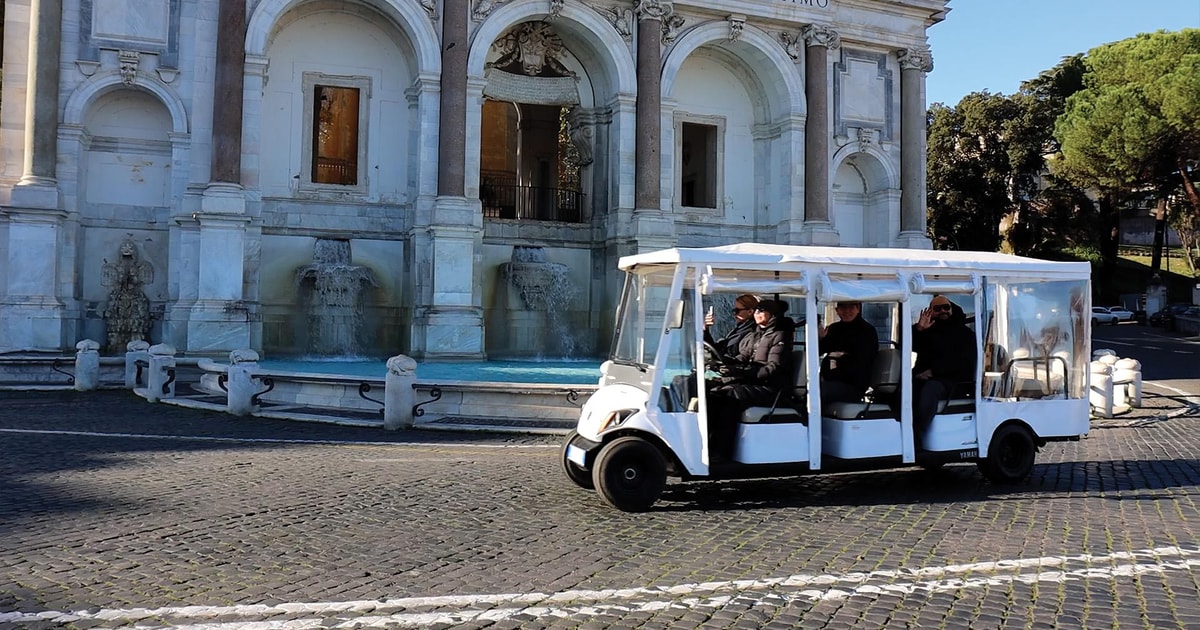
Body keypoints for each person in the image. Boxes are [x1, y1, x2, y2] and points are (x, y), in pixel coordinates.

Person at [707, 299, 794, 460]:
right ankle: (707, 444)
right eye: (756, 310)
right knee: (711, 391)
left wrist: (743, 372)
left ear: (772, 314)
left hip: (772, 389)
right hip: (753, 383)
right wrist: (724, 364)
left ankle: (722, 451)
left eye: (761, 311)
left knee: (729, 395)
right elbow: (742, 357)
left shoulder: (780, 336)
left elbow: (773, 368)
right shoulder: (753, 335)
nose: (756, 313)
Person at [911, 295, 977, 442]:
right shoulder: (928, 330)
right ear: (931, 311)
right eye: (937, 308)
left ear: (951, 309)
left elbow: (964, 363)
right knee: (903, 387)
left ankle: (917, 434)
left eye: (946, 307)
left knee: (930, 390)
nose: (943, 311)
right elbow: (908, 346)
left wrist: (933, 372)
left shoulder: (964, 334)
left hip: (954, 381)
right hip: (926, 377)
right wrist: (919, 329)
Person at [818, 301, 878, 405]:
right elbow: (819, 351)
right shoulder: (834, 328)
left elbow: (863, 362)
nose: (847, 311)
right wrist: (820, 338)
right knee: (807, 388)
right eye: (843, 308)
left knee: (816, 392)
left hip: (852, 385)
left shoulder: (867, 331)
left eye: (851, 307)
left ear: (858, 309)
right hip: (830, 380)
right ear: (837, 310)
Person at [704, 294, 759, 362]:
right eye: (734, 311)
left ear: (750, 312)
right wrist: (705, 328)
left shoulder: (752, 332)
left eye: (737, 311)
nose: (735, 314)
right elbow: (717, 348)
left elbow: (740, 357)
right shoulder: (739, 330)